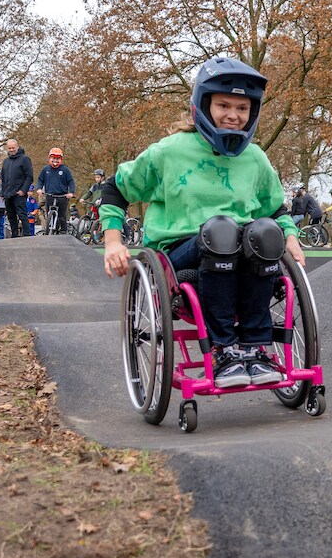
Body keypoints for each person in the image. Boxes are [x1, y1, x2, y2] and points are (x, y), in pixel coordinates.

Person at [101, 56, 302, 388]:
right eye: (224, 105)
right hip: (179, 254)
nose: (234, 115)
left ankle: (254, 348)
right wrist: (113, 241)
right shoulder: (169, 152)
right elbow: (116, 188)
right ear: (203, 104)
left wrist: (290, 236)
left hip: (240, 249)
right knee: (222, 230)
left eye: (242, 108)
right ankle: (224, 350)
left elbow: (274, 208)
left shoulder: (255, 158)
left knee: (265, 232)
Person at [36, 147, 75, 234]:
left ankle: (63, 231)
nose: (55, 161)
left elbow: (71, 182)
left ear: (61, 159)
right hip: (49, 195)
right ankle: (52, 229)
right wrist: (39, 189)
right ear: (49, 158)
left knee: (62, 216)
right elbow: (40, 180)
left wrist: (71, 192)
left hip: (62, 196)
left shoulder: (65, 170)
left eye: (58, 159)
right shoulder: (45, 169)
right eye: (53, 158)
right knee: (49, 215)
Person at [1, 138, 34, 237]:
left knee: (22, 215)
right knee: (11, 217)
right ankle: (14, 236)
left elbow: (29, 177)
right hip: (8, 194)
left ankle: (27, 235)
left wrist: (23, 191)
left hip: (19, 193)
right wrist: (2, 193)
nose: (11, 150)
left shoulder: (24, 159)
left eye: (13, 148)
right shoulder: (6, 161)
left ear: (17, 147)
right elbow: (3, 178)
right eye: (9, 148)